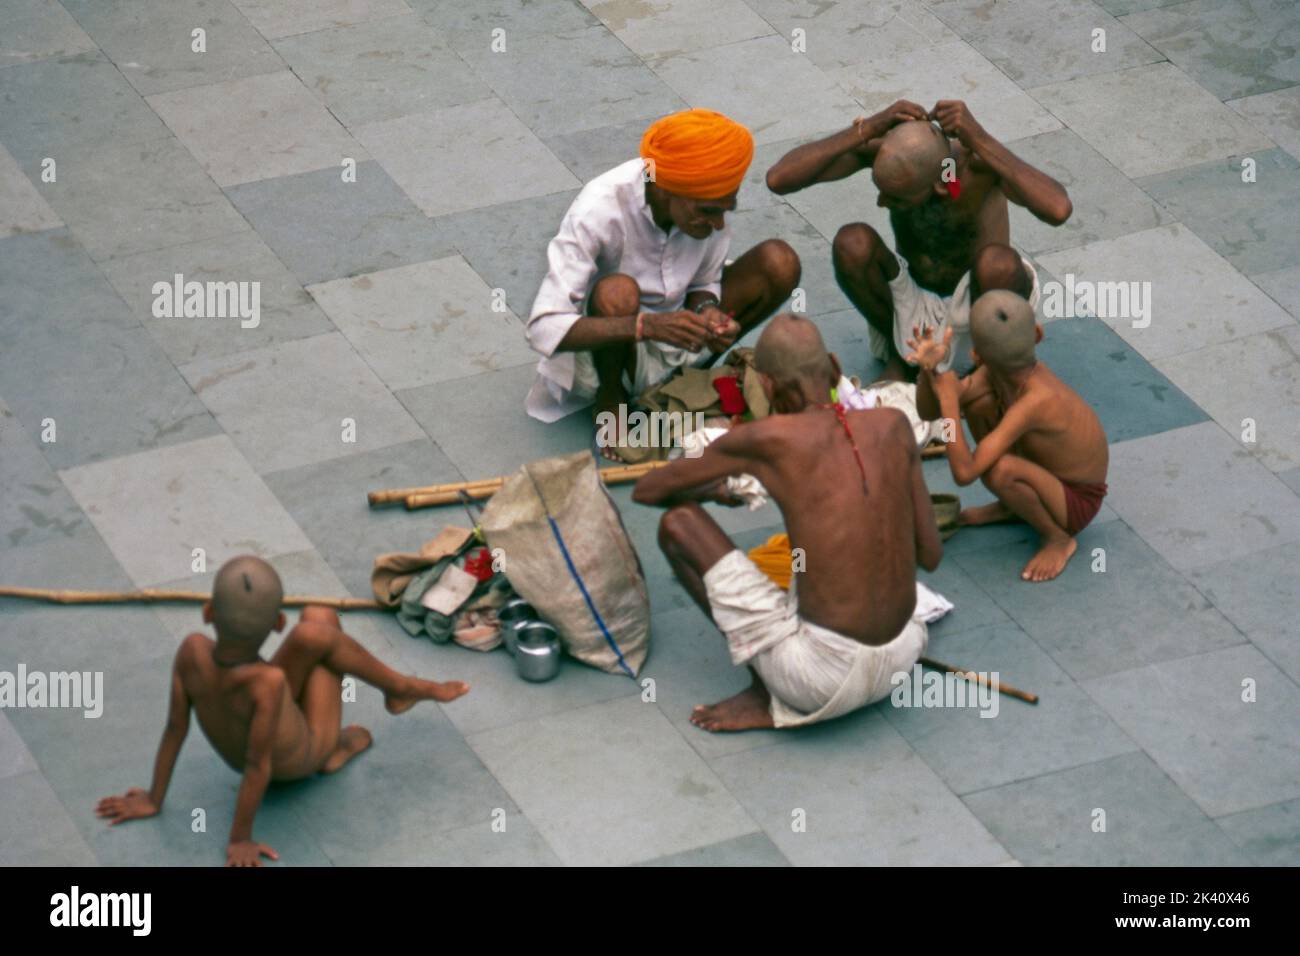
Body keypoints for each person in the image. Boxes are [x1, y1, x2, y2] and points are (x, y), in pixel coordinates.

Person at [633, 314, 943, 731]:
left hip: (816, 683)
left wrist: (716, 490)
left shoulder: (768, 439)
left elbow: (648, 491)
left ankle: (764, 691)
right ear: (834, 368)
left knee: (678, 523)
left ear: (768, 386)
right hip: (904, 656)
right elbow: (931, 554)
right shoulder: (895, 424)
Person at [95, 555, 468, 866]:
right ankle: (351, 733)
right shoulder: (268, 683)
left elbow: (175, 727)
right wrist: (240, 839)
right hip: (298, 759)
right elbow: (259, 767)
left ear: (209, 612)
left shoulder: (191, 651)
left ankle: (399, 689)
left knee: (318, 621)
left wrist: (153, 796)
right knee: (323, 636)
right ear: (276, 624)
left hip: (258, 730)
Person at [524, 108, 800, 457]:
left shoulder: (708, 205)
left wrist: (708, 310)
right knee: (617, 292)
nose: (718, 225)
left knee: (779, 262)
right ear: (669, 192)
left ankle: (683, 381)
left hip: (676, 331)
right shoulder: (599, 207)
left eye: (725, 210)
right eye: (709, 211)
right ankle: (611, 399)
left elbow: (706, 280)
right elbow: (542, 328)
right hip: (605, 355)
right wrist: (646, 326)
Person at [766, 99, 1071, 380]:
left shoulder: (978, 167)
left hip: (976, 302)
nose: (881, 203)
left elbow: (1058, 209)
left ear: (940, 185)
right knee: (852, 243)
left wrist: (980, 138)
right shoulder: (887, 152)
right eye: (880, 189)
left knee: (999, 263)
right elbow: (778, 179)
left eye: (896, 198)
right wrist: (867, 128)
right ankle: (905, 356)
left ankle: (987, 372)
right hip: (914, 303)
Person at [910, 290, 1109, 582]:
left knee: (999, 470)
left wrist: (951, 406)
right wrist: (931, 372)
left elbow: (964, 473)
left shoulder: (1038, 399)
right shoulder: (993, 376)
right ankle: (1013, 507)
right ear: (1038, 334)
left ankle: (1057, 538)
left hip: (1077, 501)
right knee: (980, 403)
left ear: (975, 354)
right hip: (1046, 473)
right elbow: (929, 411)